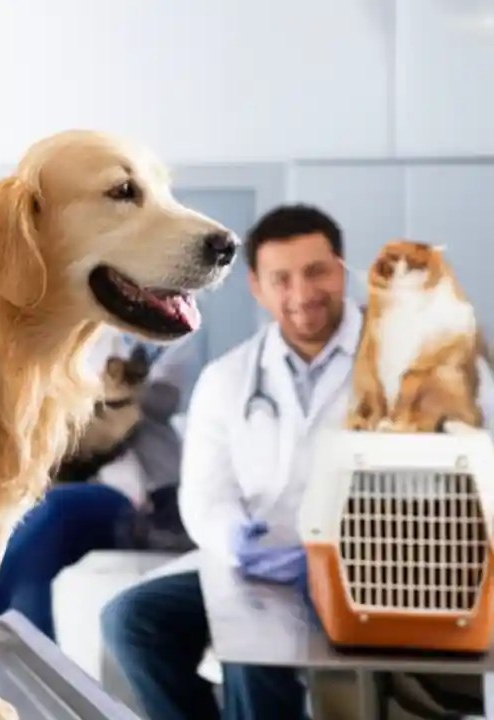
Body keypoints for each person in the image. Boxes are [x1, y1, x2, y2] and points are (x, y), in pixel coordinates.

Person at [99, 203, 494, 720]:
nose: (302, 294)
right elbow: (204, 495)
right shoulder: (228, 379)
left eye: (316, 272)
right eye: (281, 279)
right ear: (257, 288)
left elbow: (476, 449)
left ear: (342, 269)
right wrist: (237, 541)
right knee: (132, 619)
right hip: (261, 566)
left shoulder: (418, 355)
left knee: (253, 652)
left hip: (380, 567)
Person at [0, 328, 198, 641]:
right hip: (78, 477)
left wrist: (113, 395)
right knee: (35, 540)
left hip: (147, 496)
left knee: (56, 512)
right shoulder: (73, 324)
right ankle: (28, 660)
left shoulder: (177, 324)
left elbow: (164, 399)